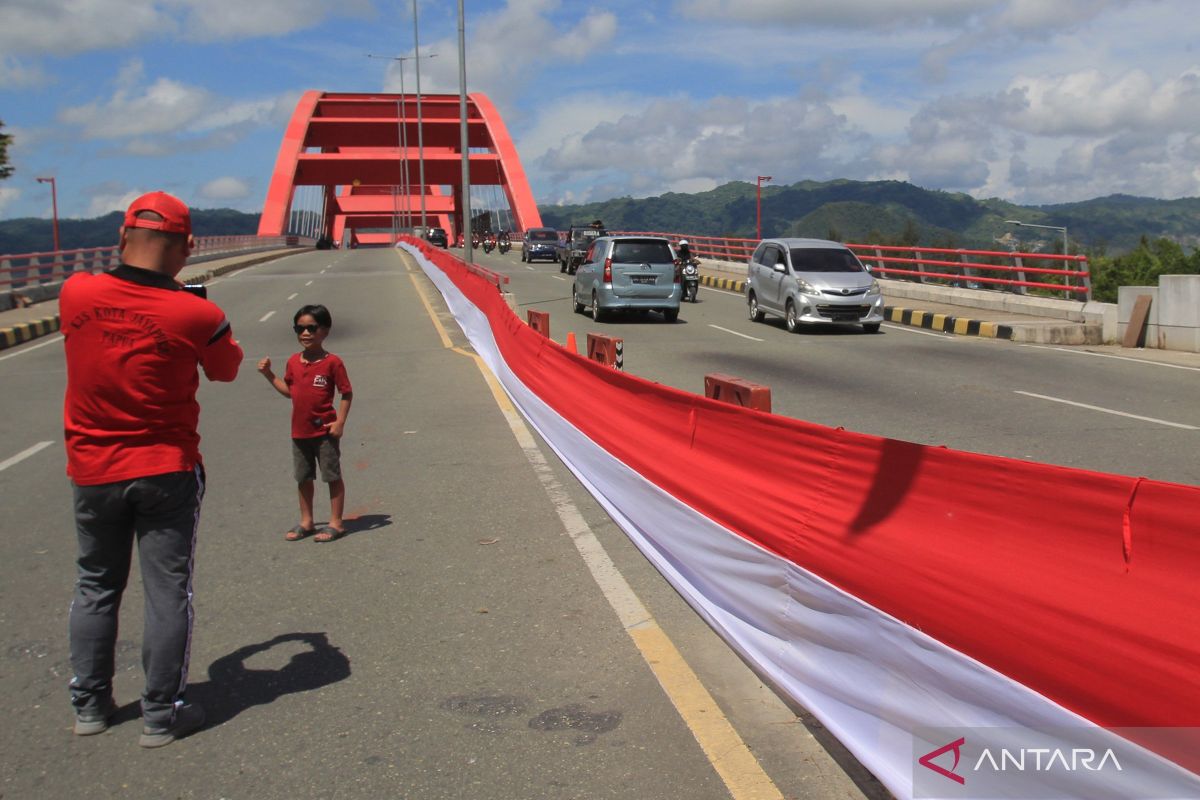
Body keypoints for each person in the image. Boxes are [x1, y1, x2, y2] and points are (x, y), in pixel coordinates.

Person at [62, 191, 243, 748]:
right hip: (166, 468)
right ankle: (160, 714)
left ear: (121, 236)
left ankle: (90, 707)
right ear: (188, 247)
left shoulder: (75, 293)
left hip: (92, 469)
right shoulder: (198, 313)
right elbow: (227, 371)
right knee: (167, 592)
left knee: (95, 585)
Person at [256, 305, 353, 543]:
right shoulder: (293, 362)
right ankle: (307, 521)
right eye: (300, 328)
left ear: (325, 331)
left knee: (331, 475)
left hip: (324, 431)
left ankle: (336, 523)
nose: (306, 333)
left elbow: (346, 393)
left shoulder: (333, 363)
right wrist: (269, 374)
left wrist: (339, 422)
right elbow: (289, 392)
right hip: (299, 432)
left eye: (311, 328)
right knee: (303, 477)